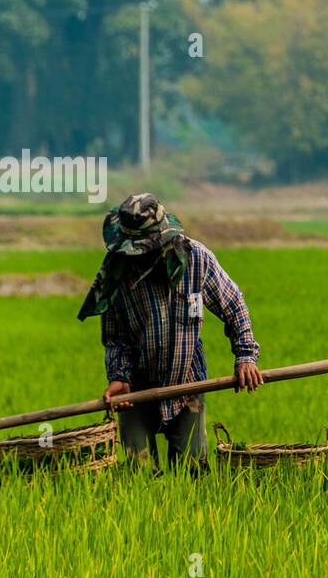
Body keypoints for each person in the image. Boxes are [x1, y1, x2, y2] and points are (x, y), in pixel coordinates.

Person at [77, 193, 263, 470]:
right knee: (137, 471)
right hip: (136, 389)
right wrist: (119, 377)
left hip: (187, 382)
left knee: (192, 469)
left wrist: (246, 357)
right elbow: (115, 338)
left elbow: (234, 305)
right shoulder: (117, 271)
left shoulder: (196, 259)